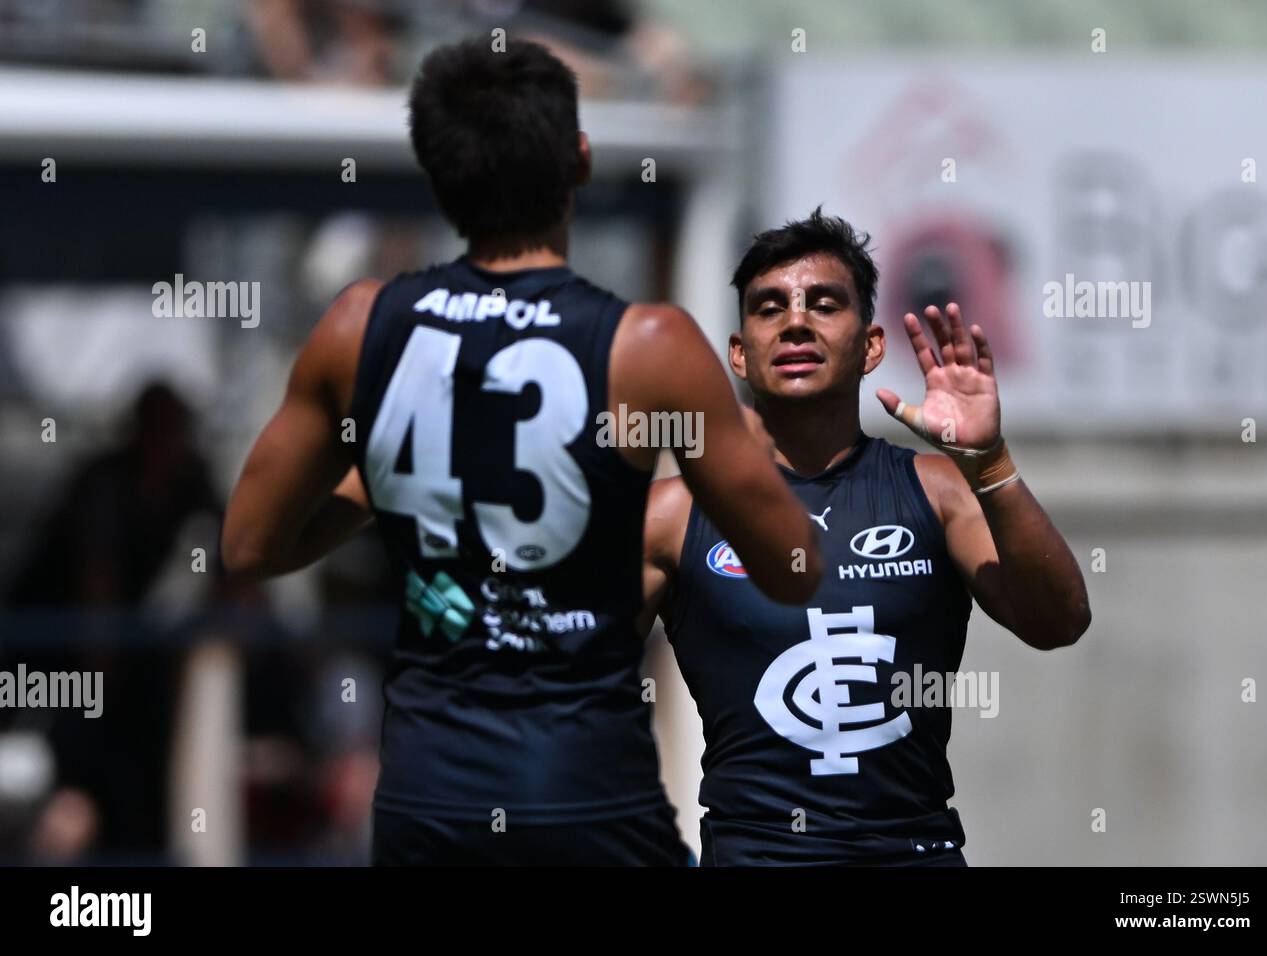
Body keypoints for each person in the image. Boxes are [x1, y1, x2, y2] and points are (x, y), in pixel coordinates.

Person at [221, 37, 819, 866]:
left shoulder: (361, 324)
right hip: (583, 787)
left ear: (437, 171)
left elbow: (249, 548)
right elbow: (795, 566)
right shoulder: (648, 346)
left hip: (426, 793)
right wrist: (747, 459)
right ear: (579, 160)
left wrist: (389, 479)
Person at [640, 209, 1091, 866]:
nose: (796, 321)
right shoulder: (675, 513)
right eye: (769, 308)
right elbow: (564, 680)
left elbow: (1059, 620)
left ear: (872, 345)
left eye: (824, 304)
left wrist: (989, 461)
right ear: (739, 352)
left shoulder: (937, 491)